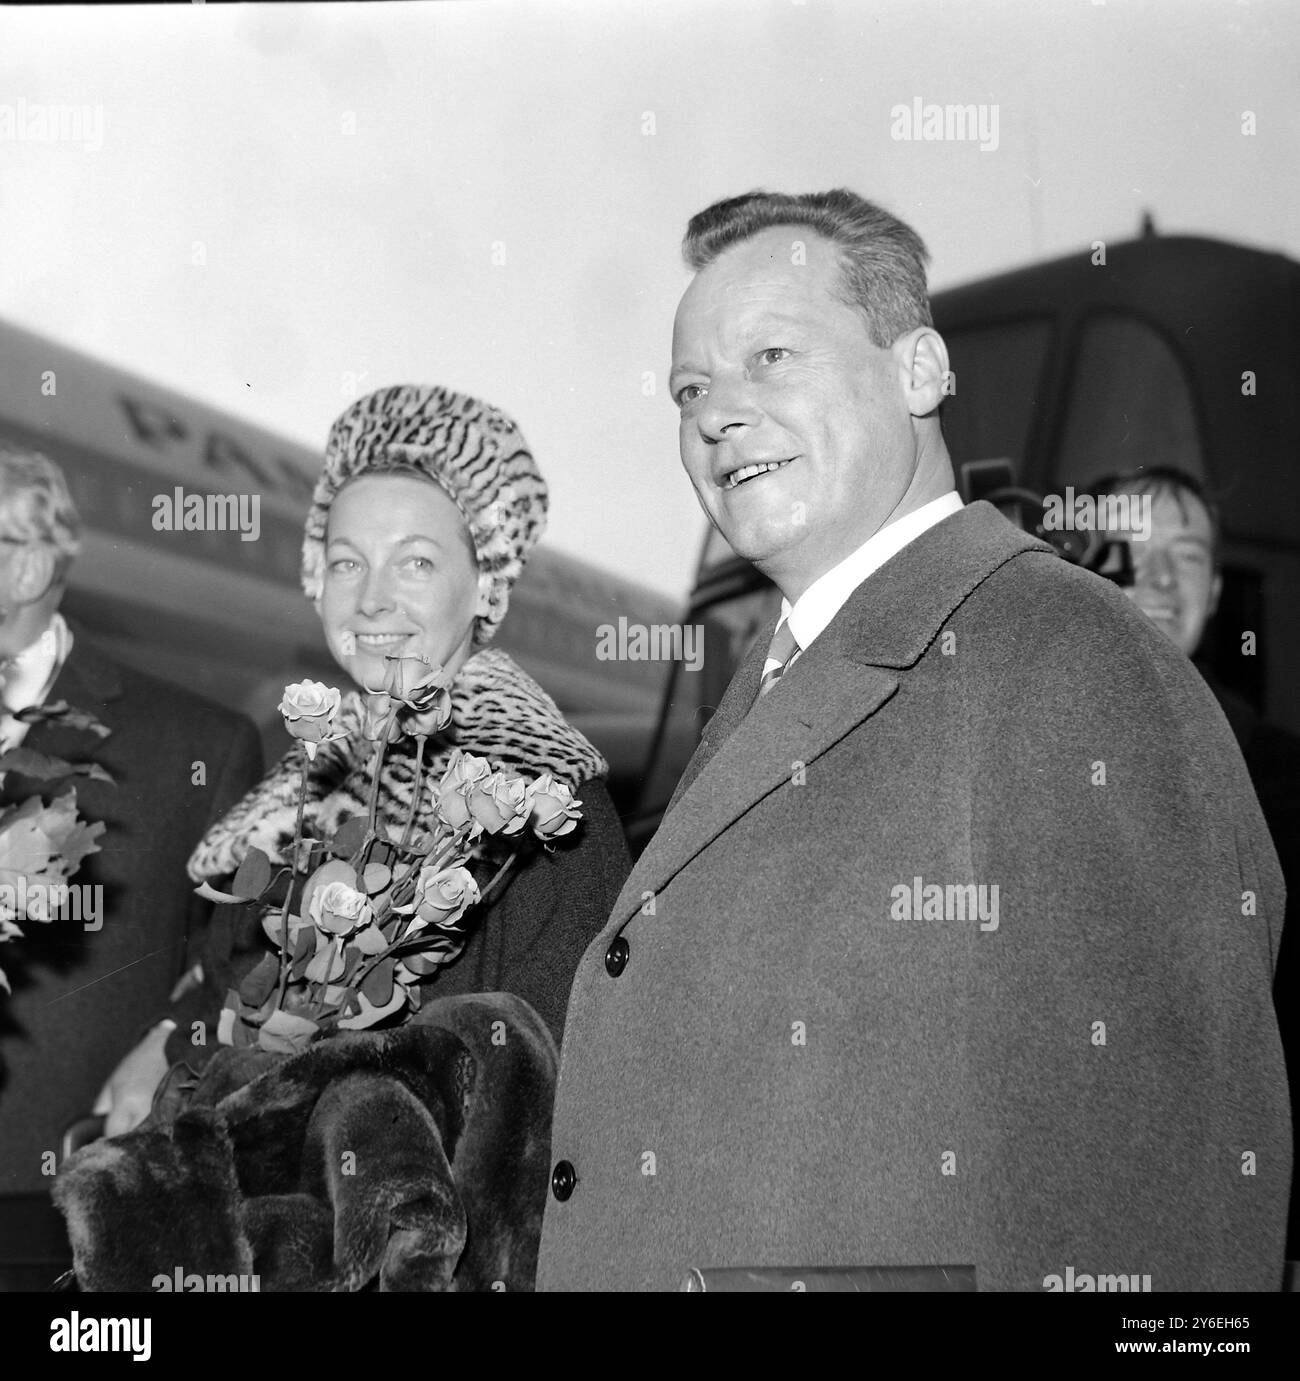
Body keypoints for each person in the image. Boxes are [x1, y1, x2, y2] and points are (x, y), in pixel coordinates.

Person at [537, 190, 1291, 1292]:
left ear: (921, 369)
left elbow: (1160, 1196)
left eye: (772, 356)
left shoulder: (1076, 664)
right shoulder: (773, 682)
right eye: (691, 388)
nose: (714, 414)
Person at [98, 384, 631, 1127]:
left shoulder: (547, 810)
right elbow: (231, 982)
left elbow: (552, 1102)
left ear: (485, 585)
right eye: (348, 563)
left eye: (414, 563)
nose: (372, 600)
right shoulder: (304, 781)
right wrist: (167, 1040)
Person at [0, 446, 263, 1202]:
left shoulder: (198, 750)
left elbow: (247, 962)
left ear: (26, 572)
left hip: (55, 1227)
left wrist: (172, 1047)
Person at [1089, 465, 1300, 1264]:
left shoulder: (1276, 778)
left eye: (1189, 554)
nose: (1159, 577)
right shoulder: (1018, 750)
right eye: (1131, 548)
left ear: (1215, 592)